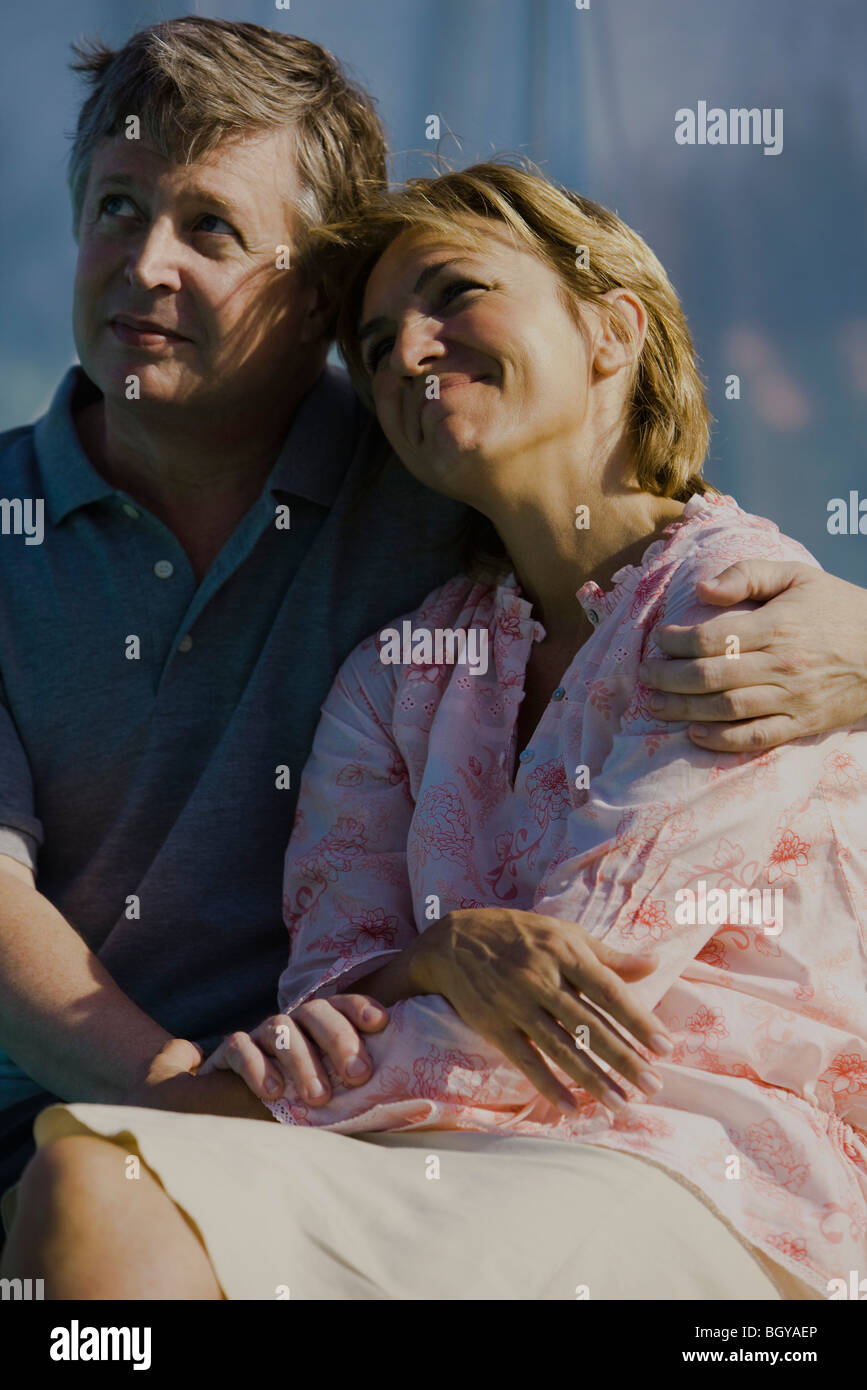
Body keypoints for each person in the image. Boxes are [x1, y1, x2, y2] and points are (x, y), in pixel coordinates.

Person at [5, 162, 864, 1301]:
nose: (407, 353)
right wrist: (431, 962)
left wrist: (230, 1094)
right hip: (416, 1153)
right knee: (85, 1197)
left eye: (456, 295)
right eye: (371, 344)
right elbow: (331, 981)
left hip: (695, 1170)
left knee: (99, 1169)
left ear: (613, 330)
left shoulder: (740, 606)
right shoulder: (396, 673)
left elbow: (585, 975)